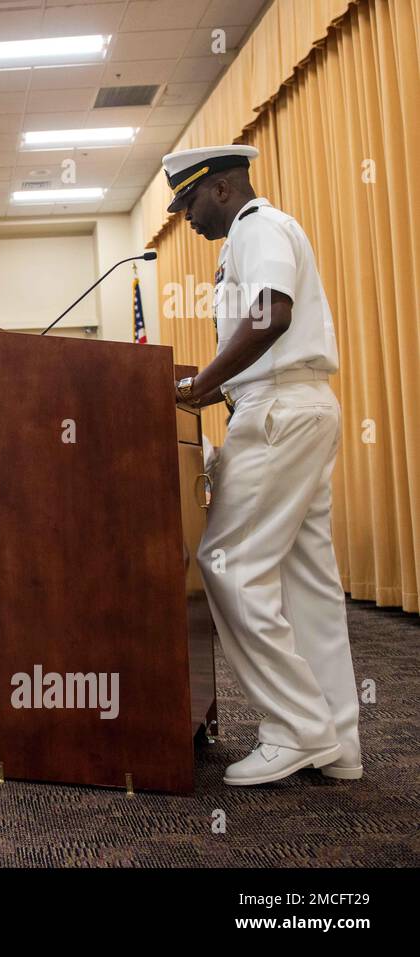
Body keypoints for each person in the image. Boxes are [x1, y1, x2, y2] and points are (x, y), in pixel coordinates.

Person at [163, 144, 359, 786]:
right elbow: (267, 330)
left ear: (219, 188)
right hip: (295, 406)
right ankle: (336, 741)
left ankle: (295, 727)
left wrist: (202, 385)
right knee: (308, 582)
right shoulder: (253, 234)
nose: (185, 217)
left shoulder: (257, 227)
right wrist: (212, 383)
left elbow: (272, 316)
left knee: (228, 563)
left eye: (188, 201)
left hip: (277, 414)